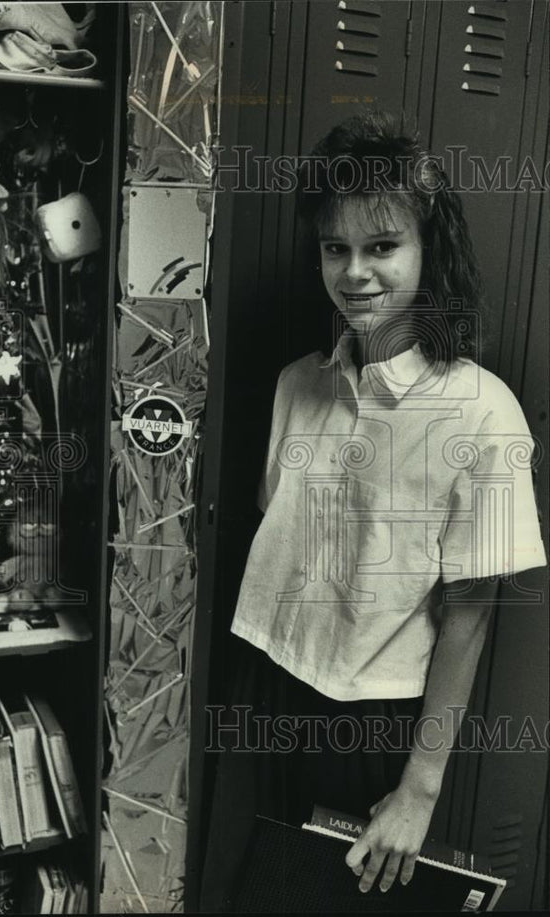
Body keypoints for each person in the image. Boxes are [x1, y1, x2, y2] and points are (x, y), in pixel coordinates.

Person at [199, 111, 546, 911]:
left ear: (431, 249)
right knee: (231, 897)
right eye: (335, 248)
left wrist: (420, 790)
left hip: (369, 720)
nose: (355, 273)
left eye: (382, 246)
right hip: (264, 684)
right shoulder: (298, 384)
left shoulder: (485, 413)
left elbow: (472, 616)